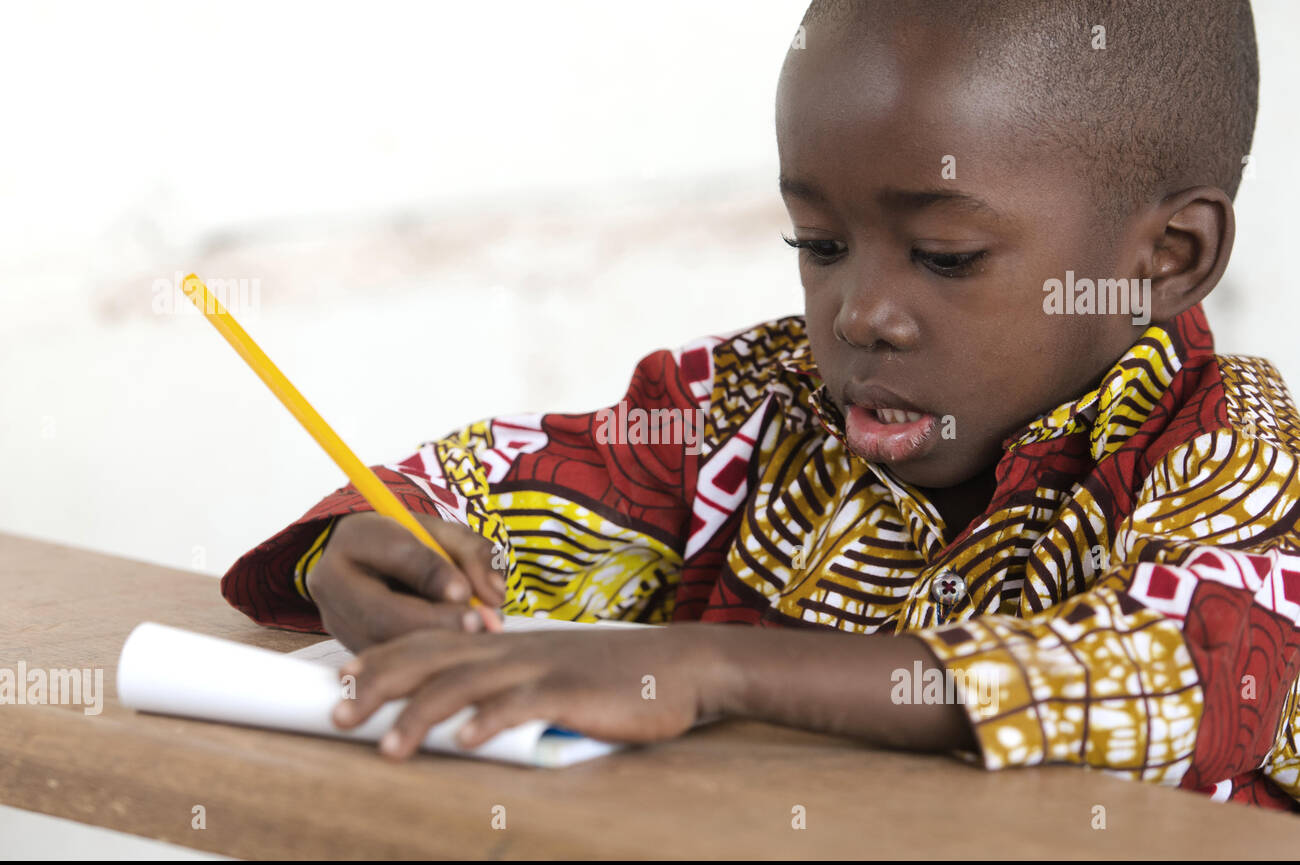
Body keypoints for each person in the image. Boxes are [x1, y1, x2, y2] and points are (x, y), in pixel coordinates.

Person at [222, 0, 1300, 810]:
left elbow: (1182, 682)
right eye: (817, 245)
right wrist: (374, 555)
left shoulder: (1234, 454)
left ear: (1166, 257)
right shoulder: (741, 408)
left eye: (944, 255)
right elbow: (484, 487)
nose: (861, 312)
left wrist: (706, 668)